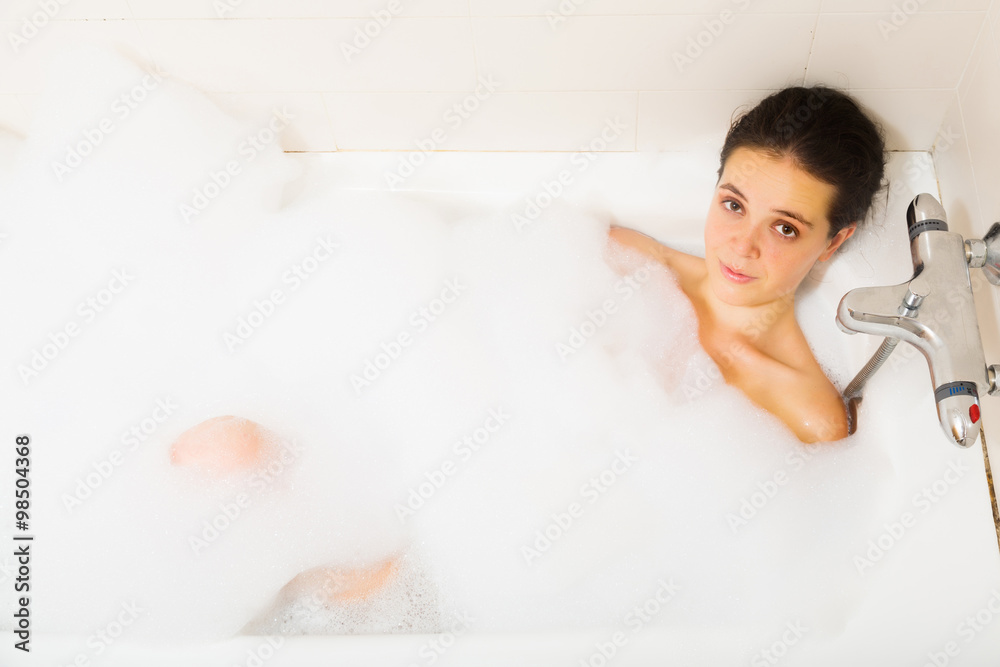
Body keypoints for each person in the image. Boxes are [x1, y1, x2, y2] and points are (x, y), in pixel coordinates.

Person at [607, 85, 886, 444]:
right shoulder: (623, 260)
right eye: (734, 205)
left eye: (785, 228)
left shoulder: (807, 417)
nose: (742, 246)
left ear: (833, 242)